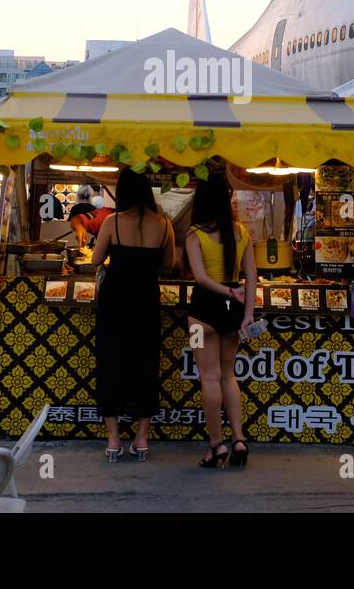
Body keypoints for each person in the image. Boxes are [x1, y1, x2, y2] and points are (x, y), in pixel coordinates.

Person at [90, 167, 174, 462]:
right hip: (146, 300)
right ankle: (142, 437)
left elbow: (97, 259)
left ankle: (113, 439)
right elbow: (168, 264)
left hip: (115, 301)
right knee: (145, 365)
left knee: (111, 364)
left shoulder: (112, 222)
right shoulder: (164, 223)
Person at [185, 173, 258, 469]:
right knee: (228, 375)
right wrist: (248, 312)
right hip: (232, 311)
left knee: (209, 377)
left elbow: (200, 278)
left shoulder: (194, 234)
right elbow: (252, 275)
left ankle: (215, 445)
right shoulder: (240, 232)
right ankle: (238, 438)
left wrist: (227, 291)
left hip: (202, 313)